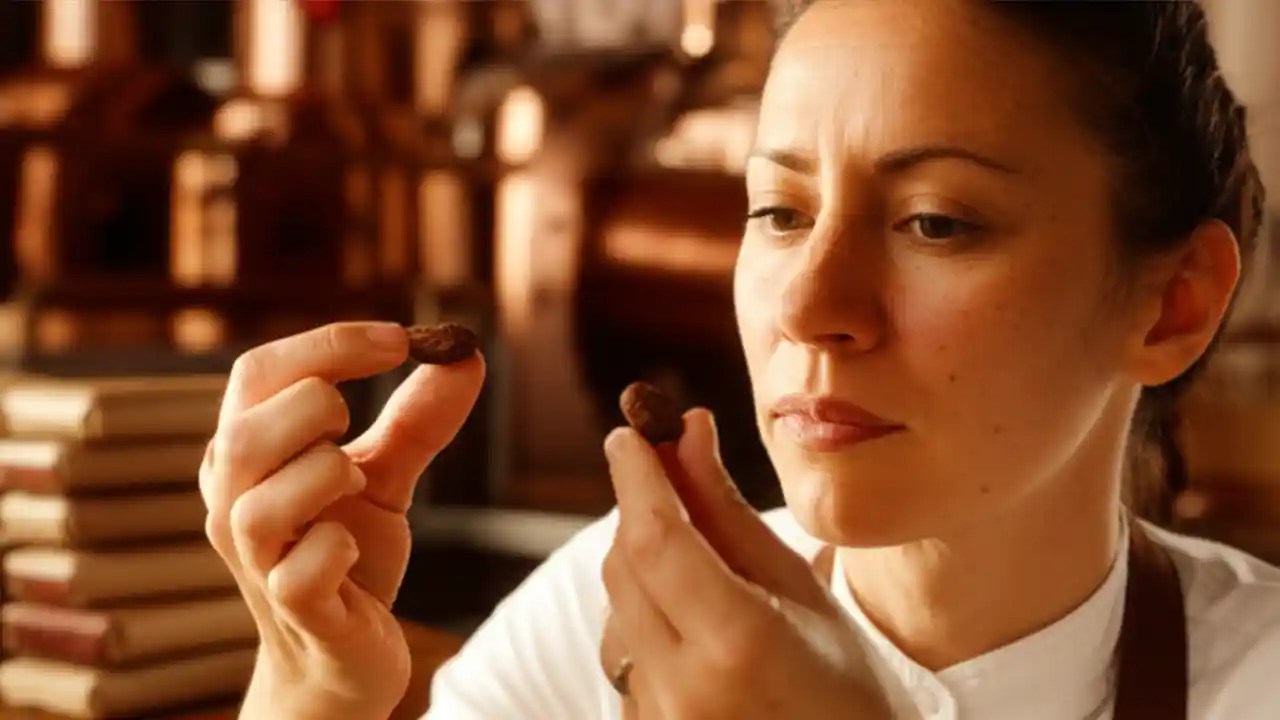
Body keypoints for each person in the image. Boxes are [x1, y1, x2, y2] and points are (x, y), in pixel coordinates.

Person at [200, 1, 1280, 718]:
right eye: (778, 210)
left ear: (1170, 305)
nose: (808, 307)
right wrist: (311, 682)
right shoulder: (603, 616)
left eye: (935, 222)